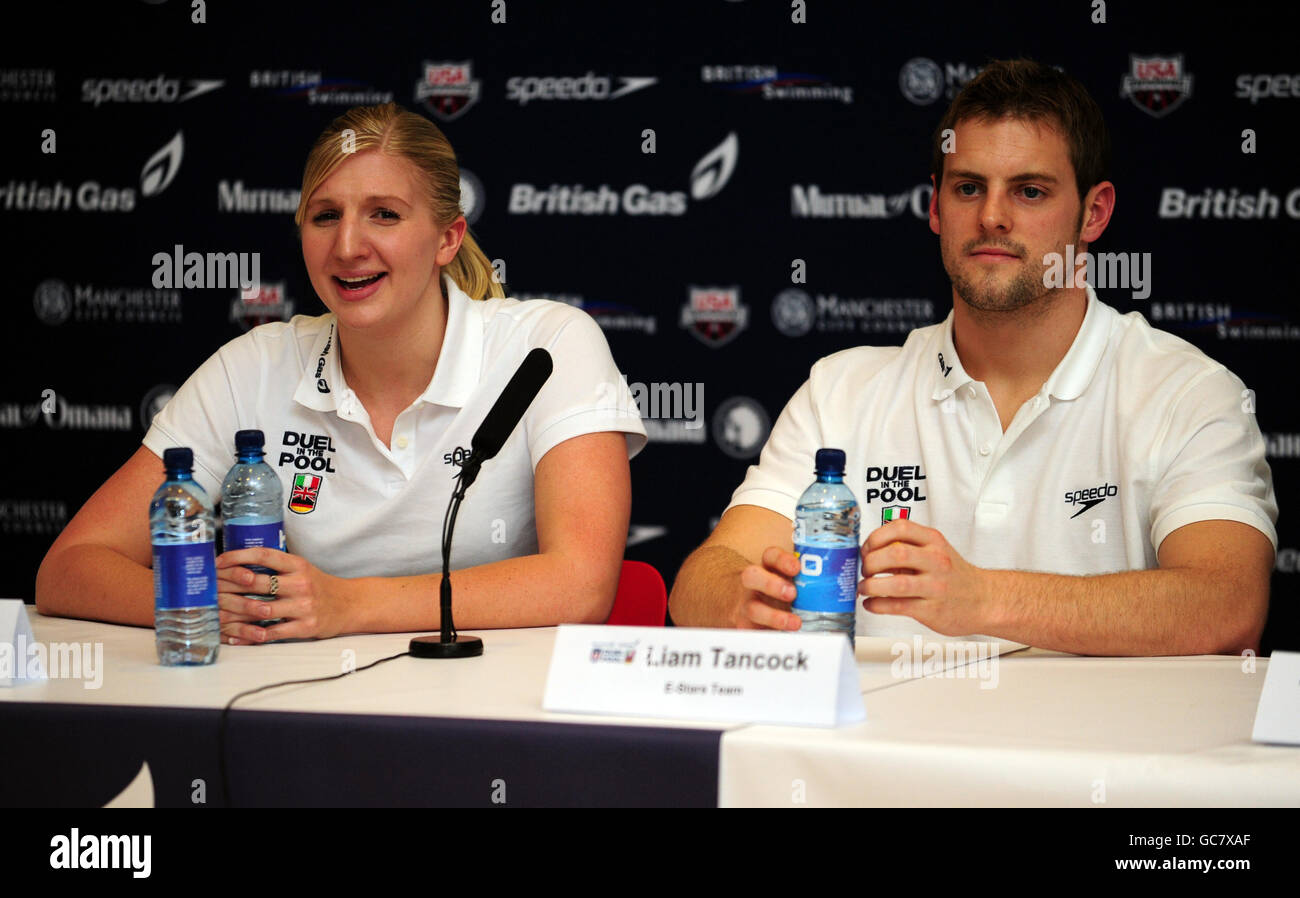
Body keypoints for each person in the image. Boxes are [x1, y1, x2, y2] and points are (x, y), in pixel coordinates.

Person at [669, 59, 1276, 656]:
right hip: (873, 751)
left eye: (1029, 191)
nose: (991, 216)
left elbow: (1225, 606)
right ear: (935, 208)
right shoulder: (841, 390)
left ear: (1094, 213)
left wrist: (983, 599)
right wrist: (738, 601)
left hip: (1092, 753)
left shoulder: (1188, 392)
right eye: (968, 188)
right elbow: (700, 582)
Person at [36, 102, 646, 643]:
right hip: (302, 713)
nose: (348, 245)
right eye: (325, 215)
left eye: (384, 214)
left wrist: (347, 605)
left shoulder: (548, 346)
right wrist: (211, 602)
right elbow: (70, 568)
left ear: (447, 238)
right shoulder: (254, 365)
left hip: (496, 719)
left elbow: (579, 583)